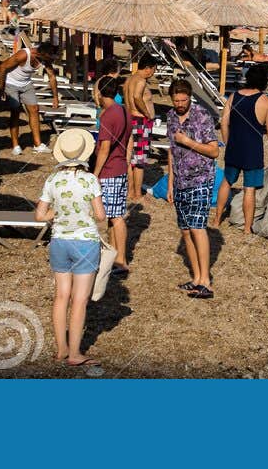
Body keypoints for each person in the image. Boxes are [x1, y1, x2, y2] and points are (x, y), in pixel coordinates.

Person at [36, 129, 104, 367]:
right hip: (85, 241)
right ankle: (75, 353)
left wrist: (59, 211)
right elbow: (100, 215)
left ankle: (61, 348)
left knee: (61, 296)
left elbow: (39, 215)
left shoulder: (52, 180)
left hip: (59, 241)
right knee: (79, 300)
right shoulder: (90, 180)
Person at [164, 81, 219, 299]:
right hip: (180, 181)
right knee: (185, 230)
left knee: (197, 227)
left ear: (190, 98)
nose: (179, 104)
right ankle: (196, 277)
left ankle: (206, 281)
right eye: (176, 101)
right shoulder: (170, 116)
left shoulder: (202, 116)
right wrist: (170, 182)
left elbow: (214, 151)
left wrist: (188, 141)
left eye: (183, 100)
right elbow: (171, 151)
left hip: (201, 179)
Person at [214, 62, 268, 234]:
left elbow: (224, 122)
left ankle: (216, 220)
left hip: (234, 147)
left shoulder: (233, 96)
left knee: (227, 182)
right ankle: (246, 228)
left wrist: (228, 142)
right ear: (264, 82)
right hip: (253, 150)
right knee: (249, 189)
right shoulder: (266, 102)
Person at [93, 86, 131, 271]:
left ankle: (121, 260)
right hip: (120, 166)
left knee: (116, 217)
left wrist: (95, 173)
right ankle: (115, 255)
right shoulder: (124, 110)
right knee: (114, 215)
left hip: (110, 170)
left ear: (100, 94)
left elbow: (105, 148)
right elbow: (129, 138)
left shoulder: (108, 115)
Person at [0, 43, 59, 155]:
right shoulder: (23, 55)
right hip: (11, 83)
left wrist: (55, 97)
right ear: (42, 54)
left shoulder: (45, 59)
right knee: (15, 111)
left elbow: (52, 77)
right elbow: (2, 67)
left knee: (35, 109)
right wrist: (0, 88)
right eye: (50, 58)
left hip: (26, 84)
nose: (51, 61)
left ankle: (37, 144)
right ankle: (15, 145)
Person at [121, 59, 158, 204]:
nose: (153, 73)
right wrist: (147, 114)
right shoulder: (141, 80)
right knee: (139, 160)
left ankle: (130, 190)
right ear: (148, 68)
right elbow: (137, 97)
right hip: (141, 121)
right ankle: (136, 193)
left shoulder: (129, 80)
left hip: (130, 119)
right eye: (154, 69)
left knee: (130, 157)